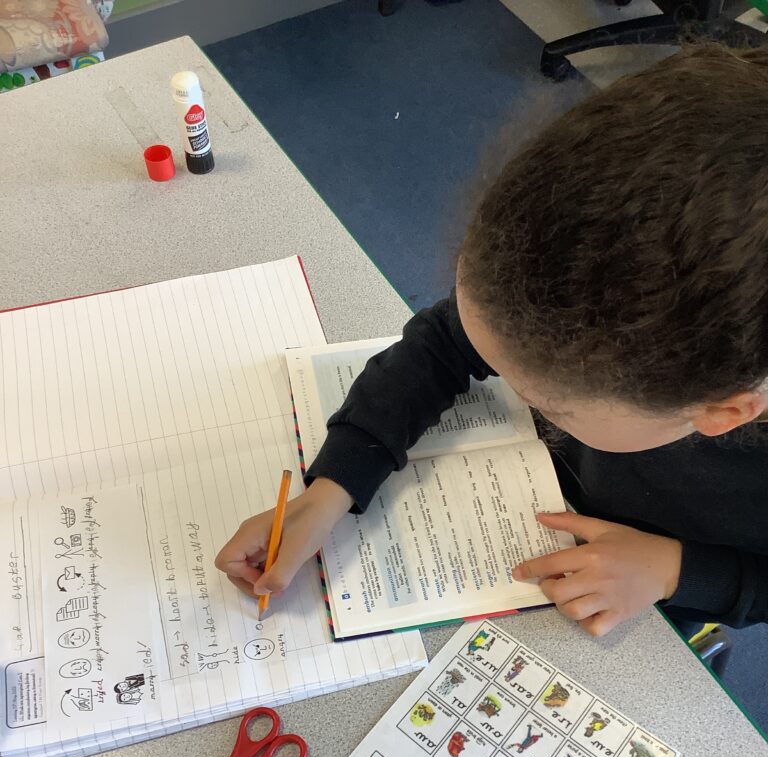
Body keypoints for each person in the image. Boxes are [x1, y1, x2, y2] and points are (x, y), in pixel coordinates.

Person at [215, 45, 768, 637]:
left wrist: (675, 570)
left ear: (722, 413)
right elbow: (442, 345)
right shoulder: (589, 279)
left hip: (655, 596)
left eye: (547, 403)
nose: (522, 395)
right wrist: (331, 488)